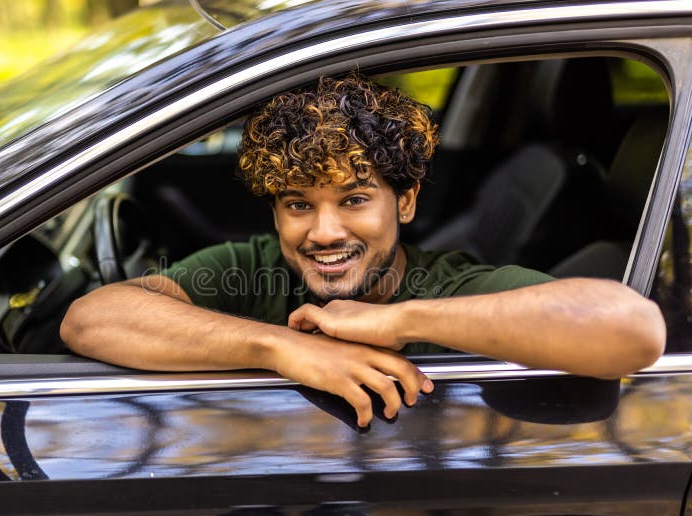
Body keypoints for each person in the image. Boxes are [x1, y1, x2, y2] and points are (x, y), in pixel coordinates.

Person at [60, 73, 666, 427]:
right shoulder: (253, 268)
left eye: (354, 199)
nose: (323, 232)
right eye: (298, 204)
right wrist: (281, 348)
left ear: (404, 203)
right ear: (275, 212)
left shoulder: (449, 287)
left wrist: (396, 319)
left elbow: (632, 328)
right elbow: (91, 318)